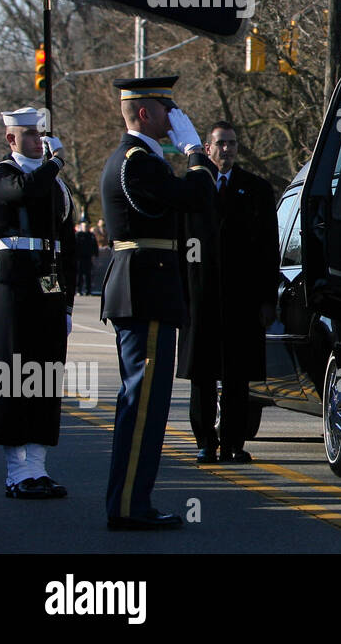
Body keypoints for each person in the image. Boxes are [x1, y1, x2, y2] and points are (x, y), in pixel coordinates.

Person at [99, 76, 215, 529]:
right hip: (146, 290)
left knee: (141, 405)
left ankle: (130, 501)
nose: (176, 117)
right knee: (143, 406)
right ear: (146, 113)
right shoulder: (138, 161)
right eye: (169, 110)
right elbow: (198, 197)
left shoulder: (140, 159)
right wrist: (194, 152)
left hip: (145, 288)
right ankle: (129, 505)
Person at [177, 121, 278, 464]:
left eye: (233, 143)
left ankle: (234, 442)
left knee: (237, 376)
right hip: (201, 295)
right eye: (220, 144)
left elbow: (269, 249)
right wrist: (181, 297)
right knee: (202, 374)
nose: (227, 150)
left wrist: (268, 300)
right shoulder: (191, 188)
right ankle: (205, 440)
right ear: (207, 149)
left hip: (243, 298)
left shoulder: (257, 190)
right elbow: (181, 246)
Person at [0, 107, 75, 499]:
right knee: (14, 377)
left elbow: (67, 245)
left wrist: (68, 304)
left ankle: (38, 468)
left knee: (45, 376)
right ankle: (16, 472)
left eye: (41, 132)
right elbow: (24, 191)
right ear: (12, 138)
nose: (38, 140)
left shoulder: (55, 182)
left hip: (47, 284)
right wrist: (56, 161)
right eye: (30, 134)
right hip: (12, 287)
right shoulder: (3, 173)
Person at [74, 222, 98, 295]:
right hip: (79, 258)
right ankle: (79, 290)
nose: (85, 227)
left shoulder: (91, 235)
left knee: (88, 275)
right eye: (84, 226)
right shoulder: (78, 235)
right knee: (79, 275)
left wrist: (95, 255)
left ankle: (88, 290)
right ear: (81, 227)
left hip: (88, 258)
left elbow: (95, 246)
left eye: (87, 226)